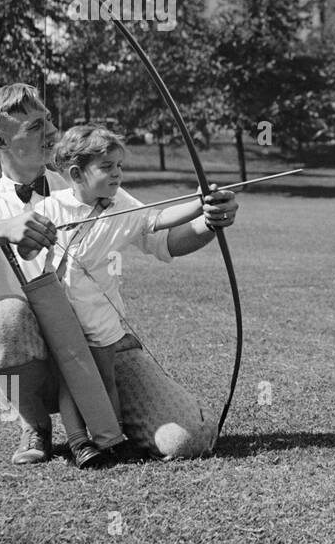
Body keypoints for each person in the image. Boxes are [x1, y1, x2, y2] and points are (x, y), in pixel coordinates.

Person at [0, 84, 235, 464]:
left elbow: (164, 239)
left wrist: (209, 221)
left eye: (48, 119)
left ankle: (106, 424)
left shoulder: (85, 178)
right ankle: (35, 425)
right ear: (0, 140)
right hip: (38, 358)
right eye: (35, 126)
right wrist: (1, 229)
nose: (51, 131)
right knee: (5, 317)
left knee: (187, 441)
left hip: (105, 347)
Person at [32, 125, 223, 468]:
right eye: (107, 167)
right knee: (72, 378)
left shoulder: (124, 204)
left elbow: (159, 219)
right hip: (63, 314)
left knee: (105, 378)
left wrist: (200, 204)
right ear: (76, 174)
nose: (117, 173)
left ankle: (112, 437)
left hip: (101, 316)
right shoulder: (52, 207)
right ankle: (80, 442)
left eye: (119, 166)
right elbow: (26, 248)